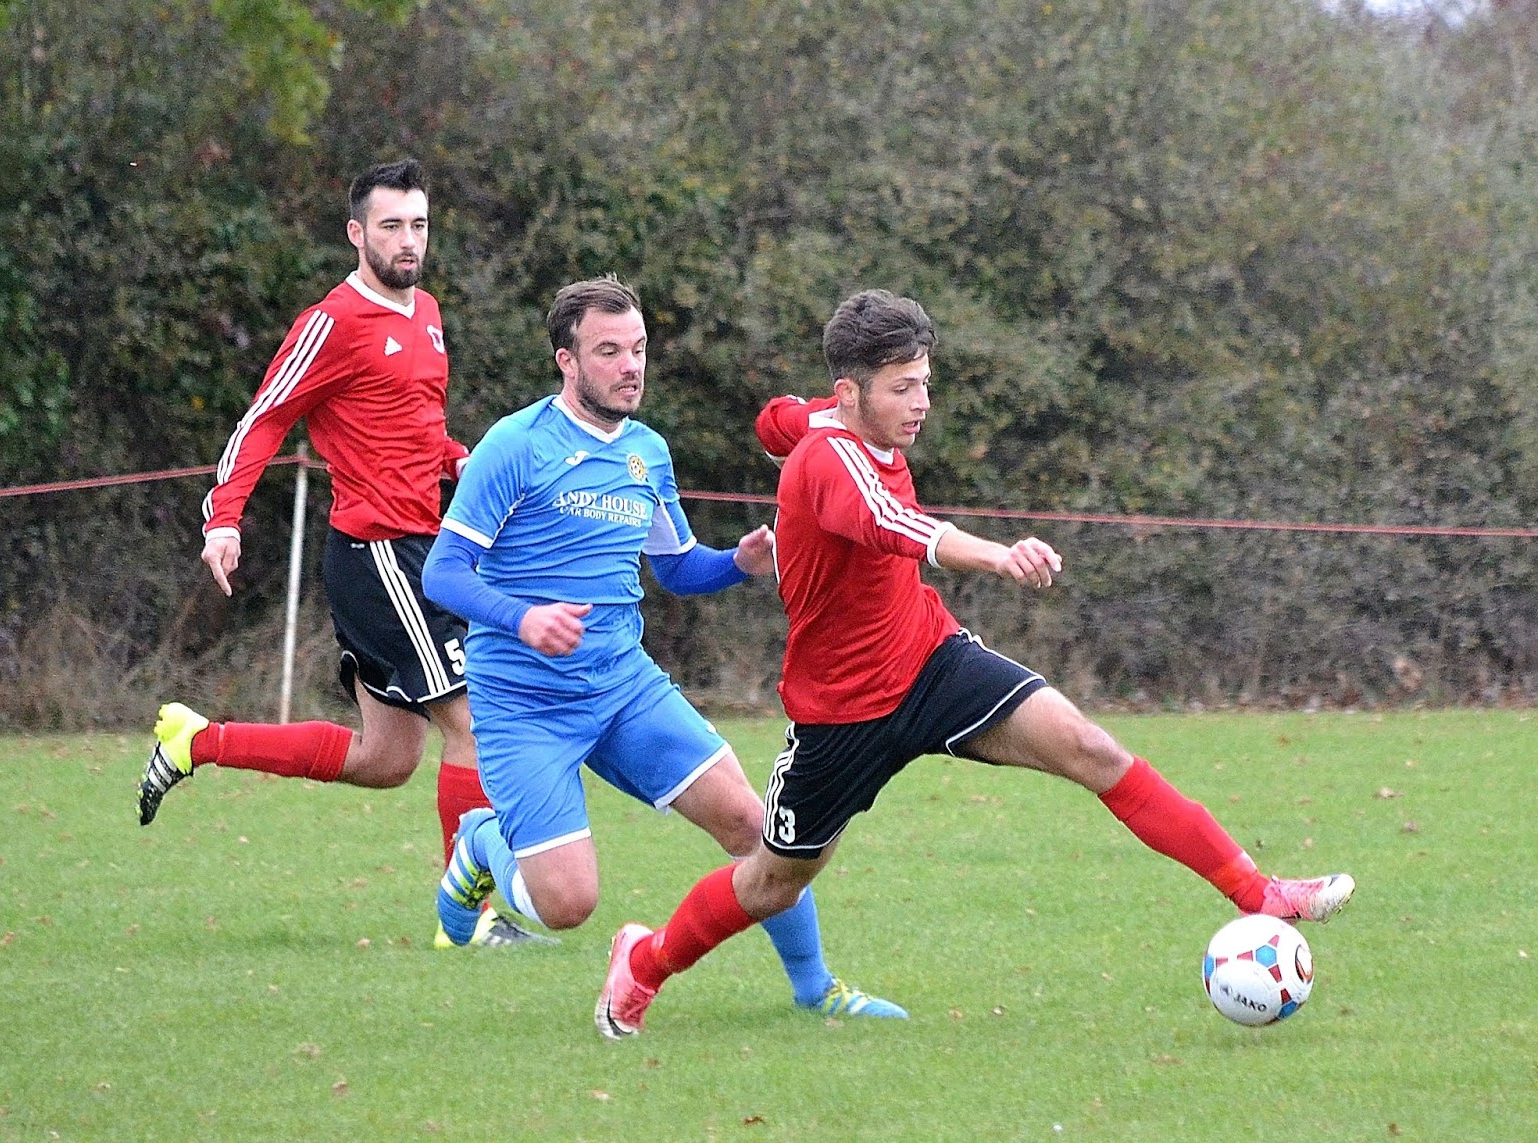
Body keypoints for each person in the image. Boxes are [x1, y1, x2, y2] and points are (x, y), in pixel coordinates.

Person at [593, 288, 1357, 1037]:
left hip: (930, 661)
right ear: (852, 393)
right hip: (841, 714)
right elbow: (903, 525)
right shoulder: (830, 463)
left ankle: (1260, 890)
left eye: (925, 381)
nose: (921, 401)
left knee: (1092, 747)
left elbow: (777, 419)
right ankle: (646, 960)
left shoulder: (827, 418)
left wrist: (778, 423)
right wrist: (999, 553)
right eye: (903, 387)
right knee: (771, 880)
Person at [421, 274, 905, 1023]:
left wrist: (736, 562)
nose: (630, 366)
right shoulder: (514, 447)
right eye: (608, 351)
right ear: (567, 361)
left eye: (638, 348)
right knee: (568, 903)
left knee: (755, 825)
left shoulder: (646, 451)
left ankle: (816, 989)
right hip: (524, 701)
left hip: (621, 685)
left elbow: (676, 567)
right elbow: (443, 571)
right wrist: (522, 619)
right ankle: (482, 843)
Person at [135, 158, 549, 947]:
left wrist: (463, 464)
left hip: (424, 545)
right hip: (379, 554)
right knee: (475, 722)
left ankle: (195, 739)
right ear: (357, 233)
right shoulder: (332, 320)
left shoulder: (426, 311)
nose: (407, 239)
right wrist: (224, 517)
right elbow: (264, 417)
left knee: (387, 758)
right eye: (391, 224)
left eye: (418, 223)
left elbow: (416, 430)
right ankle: (469, 918)